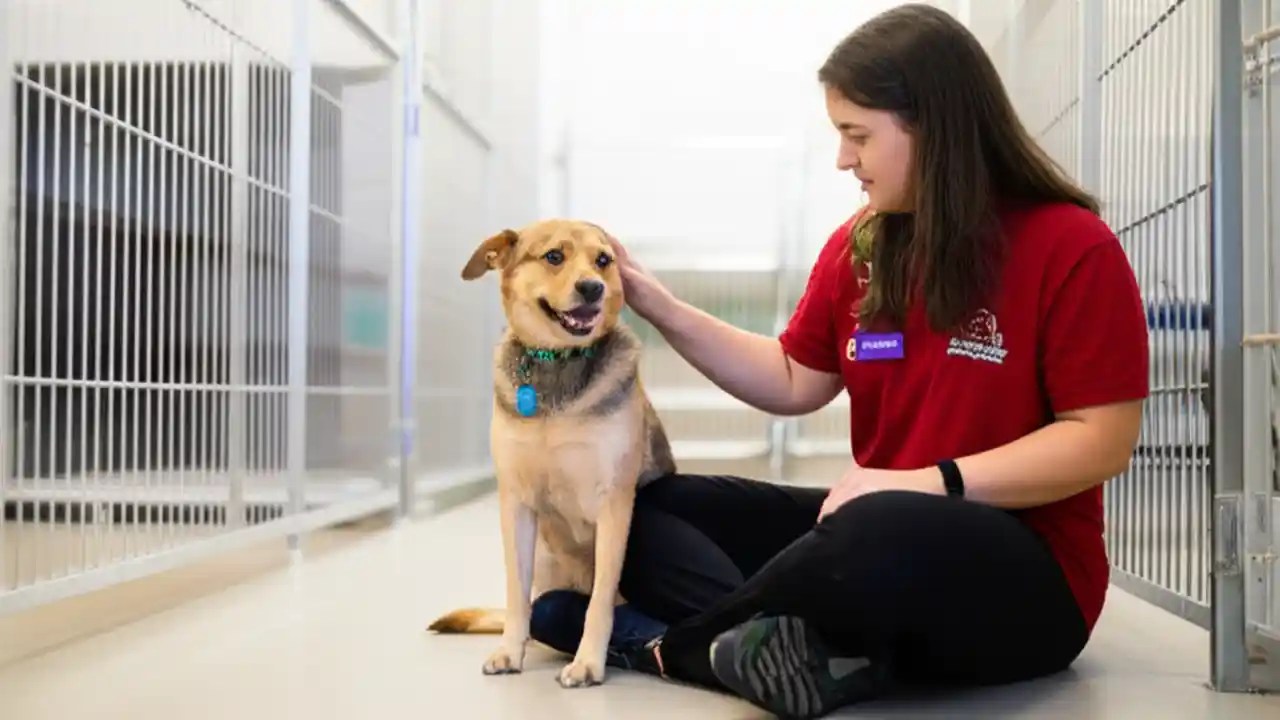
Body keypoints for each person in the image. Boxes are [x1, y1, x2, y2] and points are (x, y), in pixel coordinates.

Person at [528, 4, 1149, 719]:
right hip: (873, 535)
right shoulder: (861, 247)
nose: (842, 159)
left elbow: (1101, 440)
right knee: (648, 507)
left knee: (878, 529)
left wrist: (927, 483)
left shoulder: (1071, 247)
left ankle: (670, 647)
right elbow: (793, 378)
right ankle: (797, 648)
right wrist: (657, 303)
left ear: (933, 128)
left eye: (858, 136)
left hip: (1021, 573)